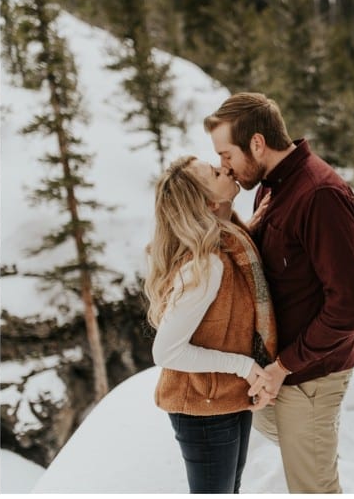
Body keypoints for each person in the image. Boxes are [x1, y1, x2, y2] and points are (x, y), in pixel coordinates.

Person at [204, 92, 354, 493]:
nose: (222, 166)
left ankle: (315, 448)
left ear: (257, 143)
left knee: (312, 489)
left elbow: (349, 308)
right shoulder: (270, 187)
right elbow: (263, 263)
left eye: (227, 155)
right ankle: (316, 446)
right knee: (296, 444)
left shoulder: (320, 195)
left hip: (308, 373)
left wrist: (282, 368)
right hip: (283, 369)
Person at [144, 155, 277, 494]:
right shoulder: (205, 267)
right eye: (216, 173)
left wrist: (250, 228)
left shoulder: (227, 243)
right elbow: (166, 351)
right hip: (202, 409)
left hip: (224, 397)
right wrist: (244, 366)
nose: (226, 170)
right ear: (209, 201)